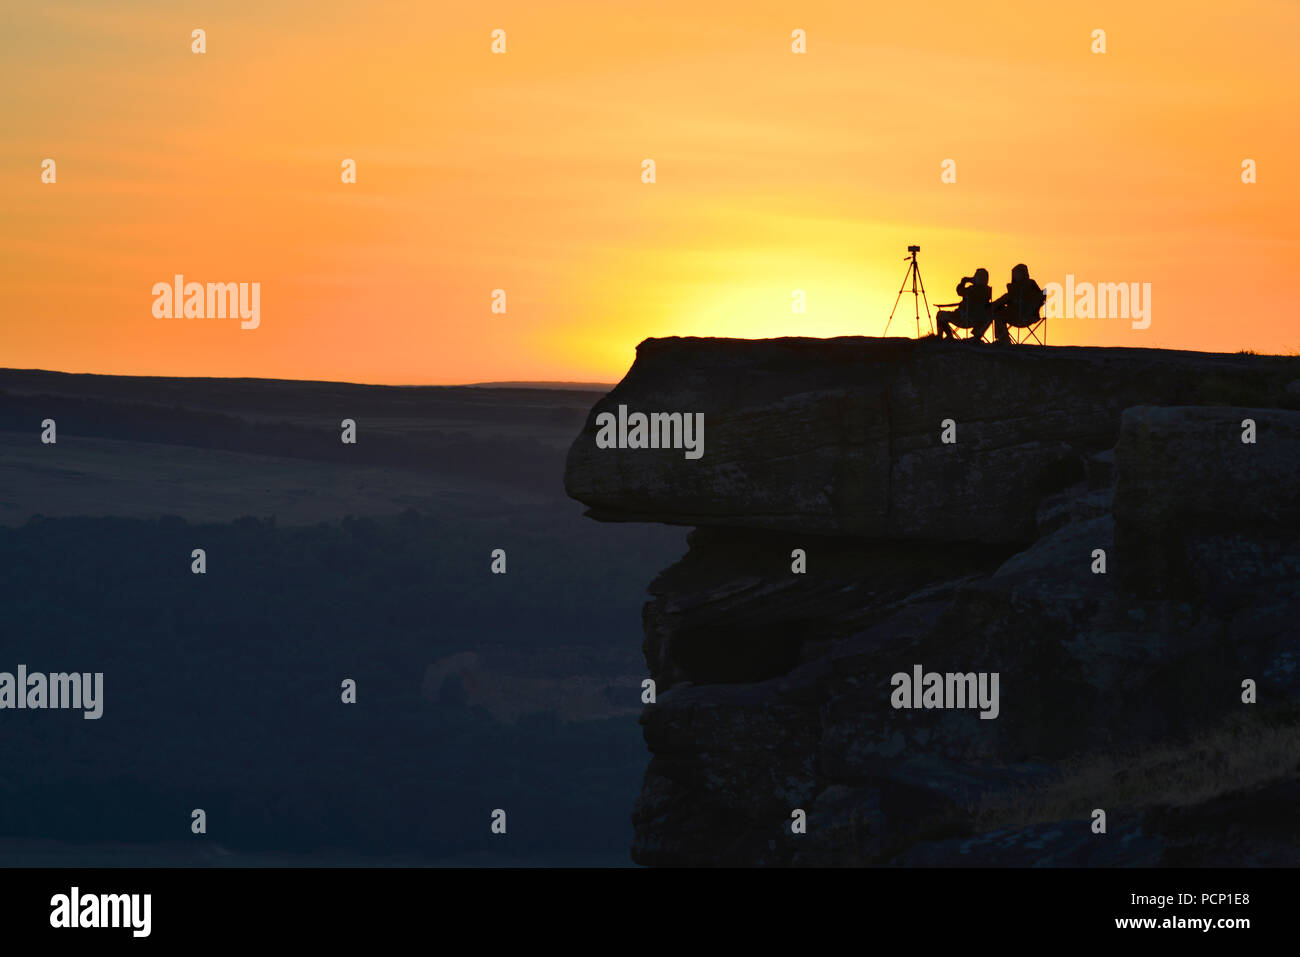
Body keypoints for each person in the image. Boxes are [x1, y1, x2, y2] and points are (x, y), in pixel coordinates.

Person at [989, 263, 1044, 344]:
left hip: (1020, 316)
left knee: (998, 314)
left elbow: (1008, 298)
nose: (1015, 276)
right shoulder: (1031, 286)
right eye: (1014, 274)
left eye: (1017, 274)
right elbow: (1041, 300)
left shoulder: (1021, 288)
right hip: (1028, 316)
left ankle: (1003, 339)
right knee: (999, 308)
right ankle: (1003, 338)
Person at [935, 268, 992, 339]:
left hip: (965, 318)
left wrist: (964, 281)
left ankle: (945, 337)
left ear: (978, 278)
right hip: (979, 320)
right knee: (943, 314)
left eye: (975, 276)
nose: (973, 277)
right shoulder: (988, 291)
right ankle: (950, 337)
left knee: (940, 314)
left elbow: (959, 291)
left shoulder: (973, 290)